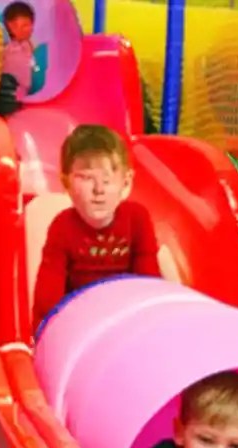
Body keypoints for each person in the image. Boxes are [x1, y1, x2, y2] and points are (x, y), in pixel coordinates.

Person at [30, 124, 161, 331]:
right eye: (87, 178)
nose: (98, 190)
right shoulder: (62, 227)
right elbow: (47, 302)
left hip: (127, 317)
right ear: (66, 184)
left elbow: (150, 285)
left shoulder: (137, 219)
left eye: (107, 180)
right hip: (80, 323)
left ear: (125, 183)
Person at [0, 1, 37, 116]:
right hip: (6, 93)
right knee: (6, 83)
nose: (26, 29)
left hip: (21, 94)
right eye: (21, 26)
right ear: (9, 26)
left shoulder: (29, 44)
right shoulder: (6, 46)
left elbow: (30, 64)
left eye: (28, 25)